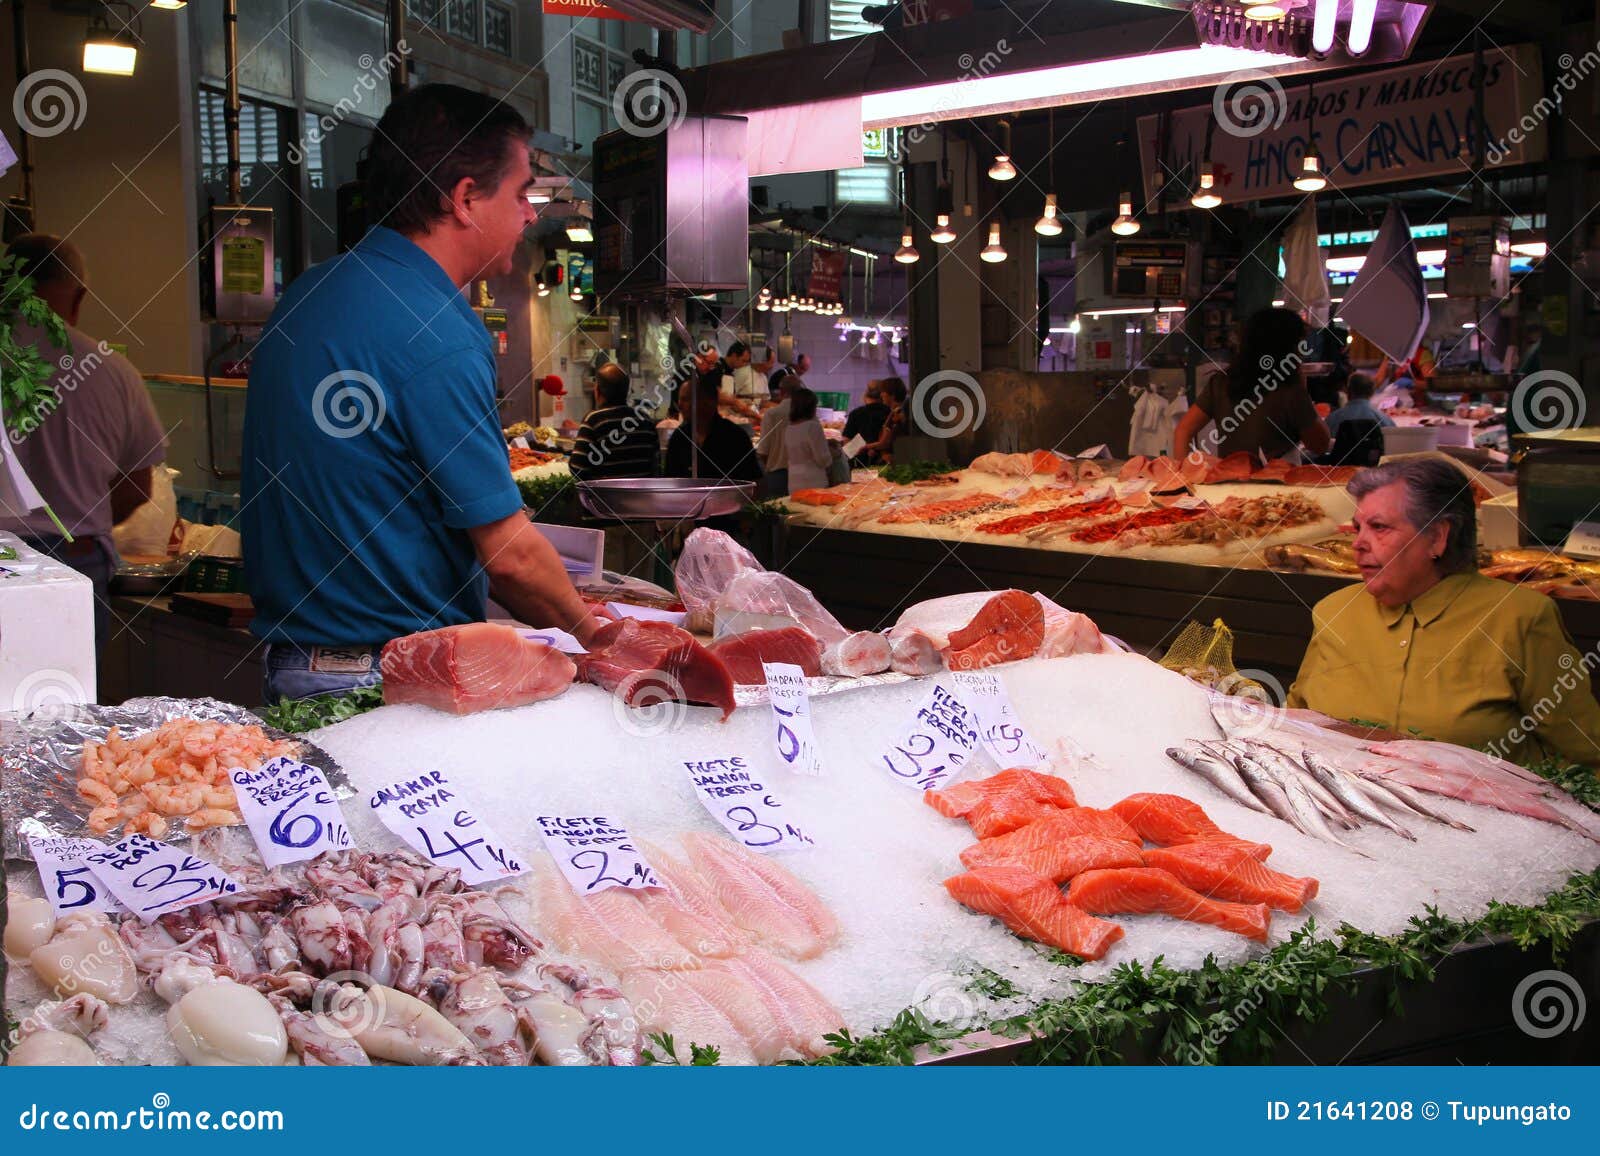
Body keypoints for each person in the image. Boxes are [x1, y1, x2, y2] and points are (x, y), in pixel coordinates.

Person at [241, 83, 608, 704]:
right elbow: (510, 558)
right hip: (382, 681)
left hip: (295, 663)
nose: (530, 214)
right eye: (521, 193)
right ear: (466, 198)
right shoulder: (436, 328)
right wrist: (599, 637)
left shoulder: (307, 292)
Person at [1287, 458, 1600, 767]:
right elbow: (1294, 725)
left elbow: (1584, 753)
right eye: (1357, 528)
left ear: (1437, 537)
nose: (1358, 544)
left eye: (1379, 527)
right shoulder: (1334, 611)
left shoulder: (1520, 618)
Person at [0, 235, 167, 652]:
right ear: (79, 295)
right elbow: (136, 488)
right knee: (65, 701)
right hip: (75, 560)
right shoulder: (113, 370)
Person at [1172, 307, 1331, 462]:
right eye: (1299, 344)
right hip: (1281, 485)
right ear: (1288, 348)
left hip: (1228, 483)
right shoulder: (1290, 390)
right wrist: (1302, 390)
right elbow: (1320, 445)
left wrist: (1183, 477)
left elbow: (1183, 431)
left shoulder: (1222, 382)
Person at [664, 368, 762, 484]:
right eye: (680, 400)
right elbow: (669, 481)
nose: (680, 405)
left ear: (709, 401)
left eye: (686, 399)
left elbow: (754, 482)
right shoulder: (679, 437)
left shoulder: (735, 437)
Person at [569, 363, 658, 481]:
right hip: (642, 497)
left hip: (605, 497)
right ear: (627, 391)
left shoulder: (593, 420)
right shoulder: (646, 420)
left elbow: (577, 468)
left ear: (597, 391)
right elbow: (656, 467)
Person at [784, 385, 835, 495]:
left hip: (793, 481)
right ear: (811, 407)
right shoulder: (813, 427)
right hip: (814, 481)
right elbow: (823, 459)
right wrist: (833, 451)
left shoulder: (789, 428)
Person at [754, 373, 797, 497]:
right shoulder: (808, 413)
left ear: (781, 391)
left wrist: (770, 466)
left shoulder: (772, 414)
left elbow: (762, 451)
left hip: (777, 475)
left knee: (778, 512)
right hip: (803, 475)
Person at [718, 340, 774, 422]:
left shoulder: (731, 372)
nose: (744, 364)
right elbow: (725, 399)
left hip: (728, 417)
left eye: (747, 362)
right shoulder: (718, 368)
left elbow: (733, 400)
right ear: (734, 355)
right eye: (743, 361)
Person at [862, 376, 908, 463]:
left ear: (892, 395)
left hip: (896, 462)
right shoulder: (894, 411)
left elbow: (884, 443)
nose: (881, 394)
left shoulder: (898, 414)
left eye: (884, 391)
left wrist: (865, 447)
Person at [842, 379, 889, 464]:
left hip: (860, 464)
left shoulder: (856, 414)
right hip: (886, 462)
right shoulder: (890, 412)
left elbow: (847, 444)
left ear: (865, 395)